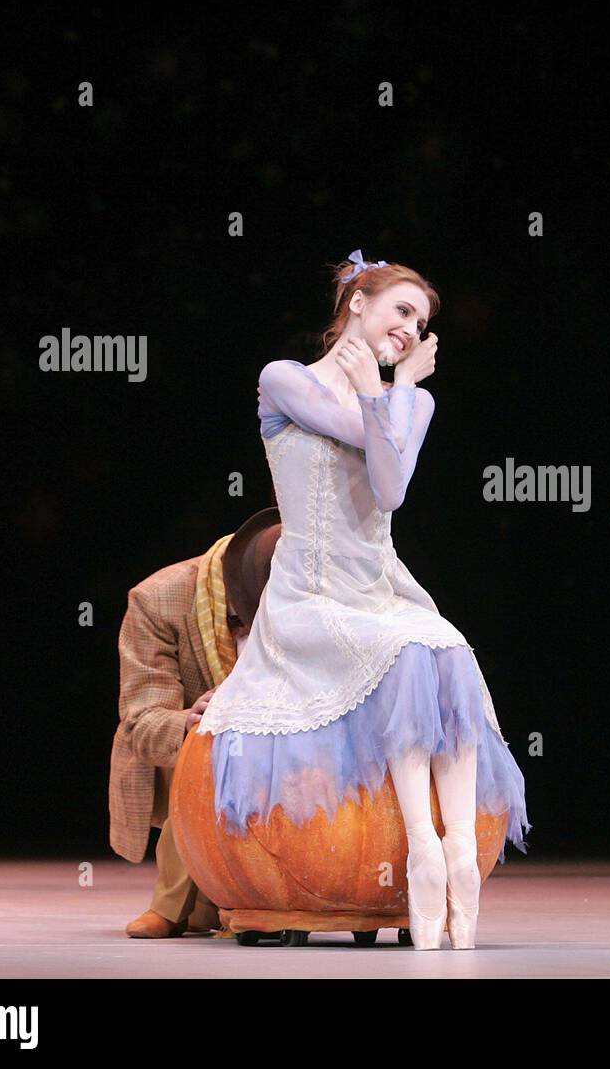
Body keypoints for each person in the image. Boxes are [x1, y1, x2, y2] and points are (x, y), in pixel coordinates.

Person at [197, 249, 529, 950]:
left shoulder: (419, 399)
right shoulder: (284, 380)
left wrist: (395, 393)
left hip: (378, 581)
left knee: (449, 647)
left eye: (423, 321)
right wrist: (386, 396)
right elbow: (384, 465)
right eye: (402, 309)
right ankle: (421, 850)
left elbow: (389, 492)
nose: (412, 328)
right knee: (406, 648)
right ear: (357, 304)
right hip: (311, 591)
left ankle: (460, 853)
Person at [110, 507, 280, 937]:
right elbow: (140, 721)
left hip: (280, 745)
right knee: (209, 753)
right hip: (192, 754)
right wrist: (190, 720)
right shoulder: (158, 599)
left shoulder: (308, 601)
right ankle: (169, 906)